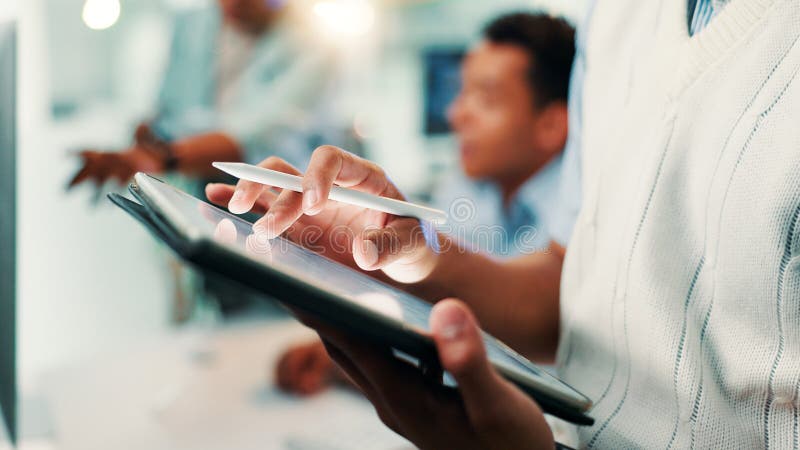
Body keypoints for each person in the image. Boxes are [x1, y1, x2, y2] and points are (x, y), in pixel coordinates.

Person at [206, 0, 800, 447]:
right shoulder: (615, 16)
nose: (456, 114)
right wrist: (409, 261)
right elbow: (572, 295)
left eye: (485, 96)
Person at [271, 12, 576, 396]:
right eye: (462, 93)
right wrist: (341, 350)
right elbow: (432, 297)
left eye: (485, 97)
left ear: (551, 125)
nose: (456, 114)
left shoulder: (580, 217)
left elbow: (517, 326)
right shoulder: (469, 188)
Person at [68, 0, 336, 189]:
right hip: (186, 189)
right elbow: (171, 105)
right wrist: (145, 138)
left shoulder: (314, 46)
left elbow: (257, 132)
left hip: (268, 201)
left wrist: (158, 157)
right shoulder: (193, 23)